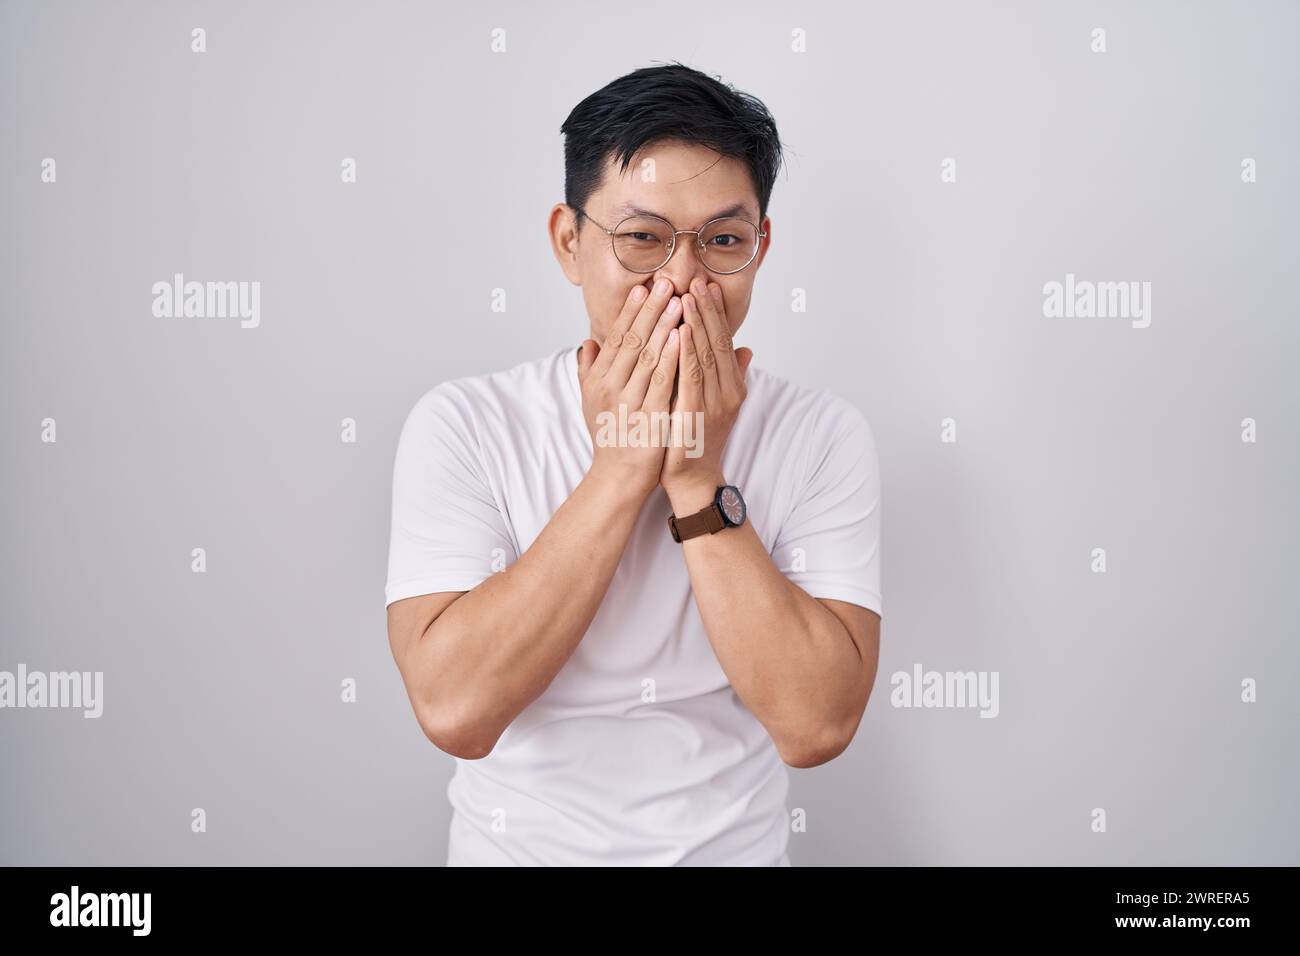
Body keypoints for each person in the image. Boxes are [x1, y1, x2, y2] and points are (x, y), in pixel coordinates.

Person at [384, 62, 882, 866]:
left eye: (723, 241)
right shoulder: (466, 424)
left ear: (760, 249)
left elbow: (816, 726)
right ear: (570, 243)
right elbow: (455, 712)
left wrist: (695, 478)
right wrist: (621, 468)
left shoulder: (823, 434)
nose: (683, 280)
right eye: (643, 238)